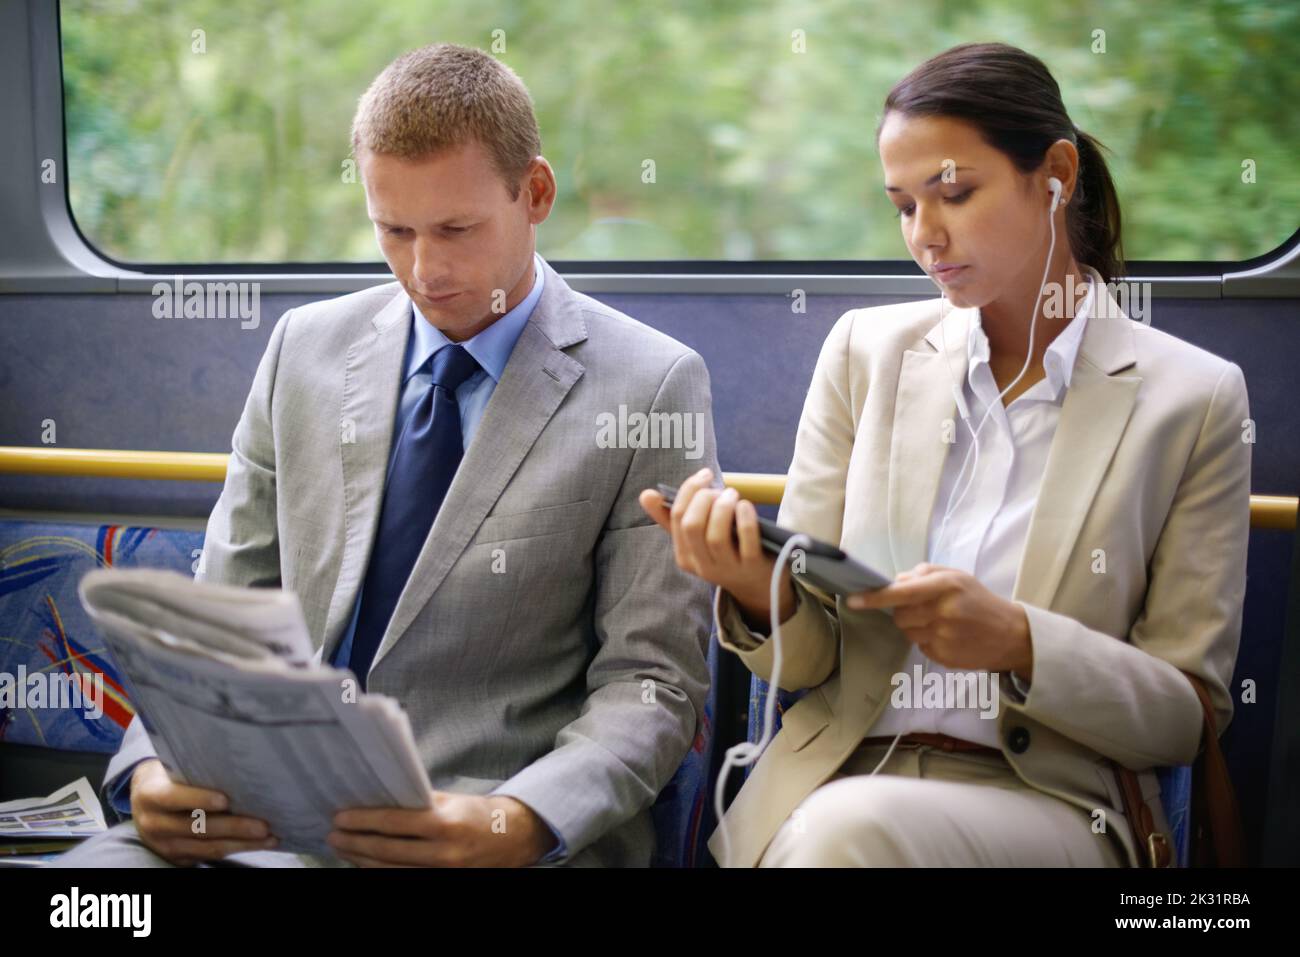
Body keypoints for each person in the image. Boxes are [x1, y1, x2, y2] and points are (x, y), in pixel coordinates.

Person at [58, 43, 718, 868]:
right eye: (394, 230)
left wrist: (514, 820)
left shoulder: (651, 384)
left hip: (482, 832)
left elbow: (651, 684)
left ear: (536, 193)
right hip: (254, 821)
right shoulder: (304, 348)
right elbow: (211, 619)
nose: (425, 269)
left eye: (456, 228)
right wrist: (150, 766)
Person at [641, 42, 1250, 867]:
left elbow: (1186, 714)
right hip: (836, 772)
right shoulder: (865, 353)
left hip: (1054, 804)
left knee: (844, 836)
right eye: (902, 205)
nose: (925, 236)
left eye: (955, 193)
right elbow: (815, 656)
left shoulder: (1194, 398)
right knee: (840, 829)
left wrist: (1018, 640)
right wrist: (754, 586)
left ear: (1055, 174)